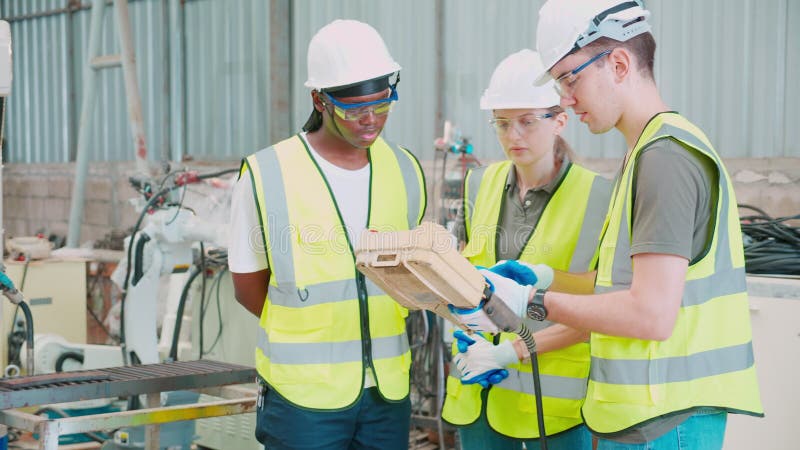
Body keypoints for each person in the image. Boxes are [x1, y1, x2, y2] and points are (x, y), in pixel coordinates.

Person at [454, 1, 764, 449]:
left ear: (618, 63)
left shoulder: (664, 159)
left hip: (666, 420)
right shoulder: (646, 153)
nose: (564, 99)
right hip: (649, 416)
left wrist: (528, 301)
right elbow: (621, 291)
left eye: (569, 78)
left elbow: (650, 314)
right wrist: (547, 277)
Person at [228, 19, 426, 450]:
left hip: (386, 394)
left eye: (383, 103)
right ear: (319, 100)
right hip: (302, 400)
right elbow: (248, 289)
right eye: (355, 109)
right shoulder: (267, 174)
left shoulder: (406, 170)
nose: (371, 120)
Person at [441, 49, 611, 450]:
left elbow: (607, 305)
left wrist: (511, 352)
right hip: (477, 392)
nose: (512, 136)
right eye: (501, 124)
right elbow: (468, 278)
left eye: (527, 122)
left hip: (553, 409)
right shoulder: (478, 184)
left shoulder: (601, 196)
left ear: (560, 121)